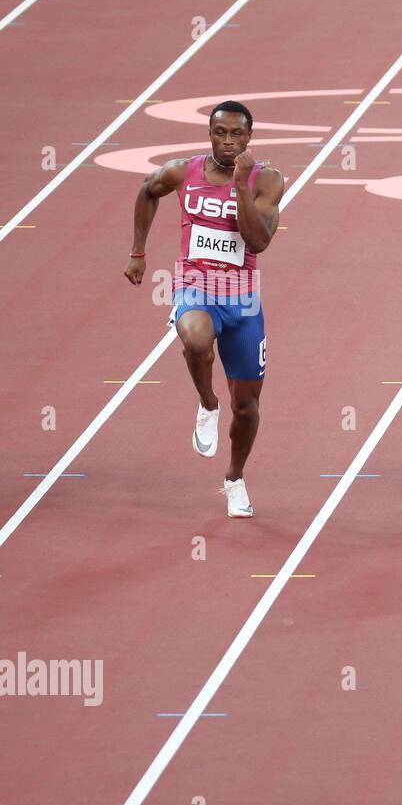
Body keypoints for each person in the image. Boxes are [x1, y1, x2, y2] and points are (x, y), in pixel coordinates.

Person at [124, 100, 283, 516]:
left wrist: (240, 187)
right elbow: (147, 189)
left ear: (250, 137)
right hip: (195, 284)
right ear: (209, 134)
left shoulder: (267, 180)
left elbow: (258, 240)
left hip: (243, 298)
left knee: (247, 407)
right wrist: (138, 251)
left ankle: (235, 478)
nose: (227, 142)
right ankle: (208, 403)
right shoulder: (183, 171)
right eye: (219, 133)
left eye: (236, 135)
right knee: (195, 340)